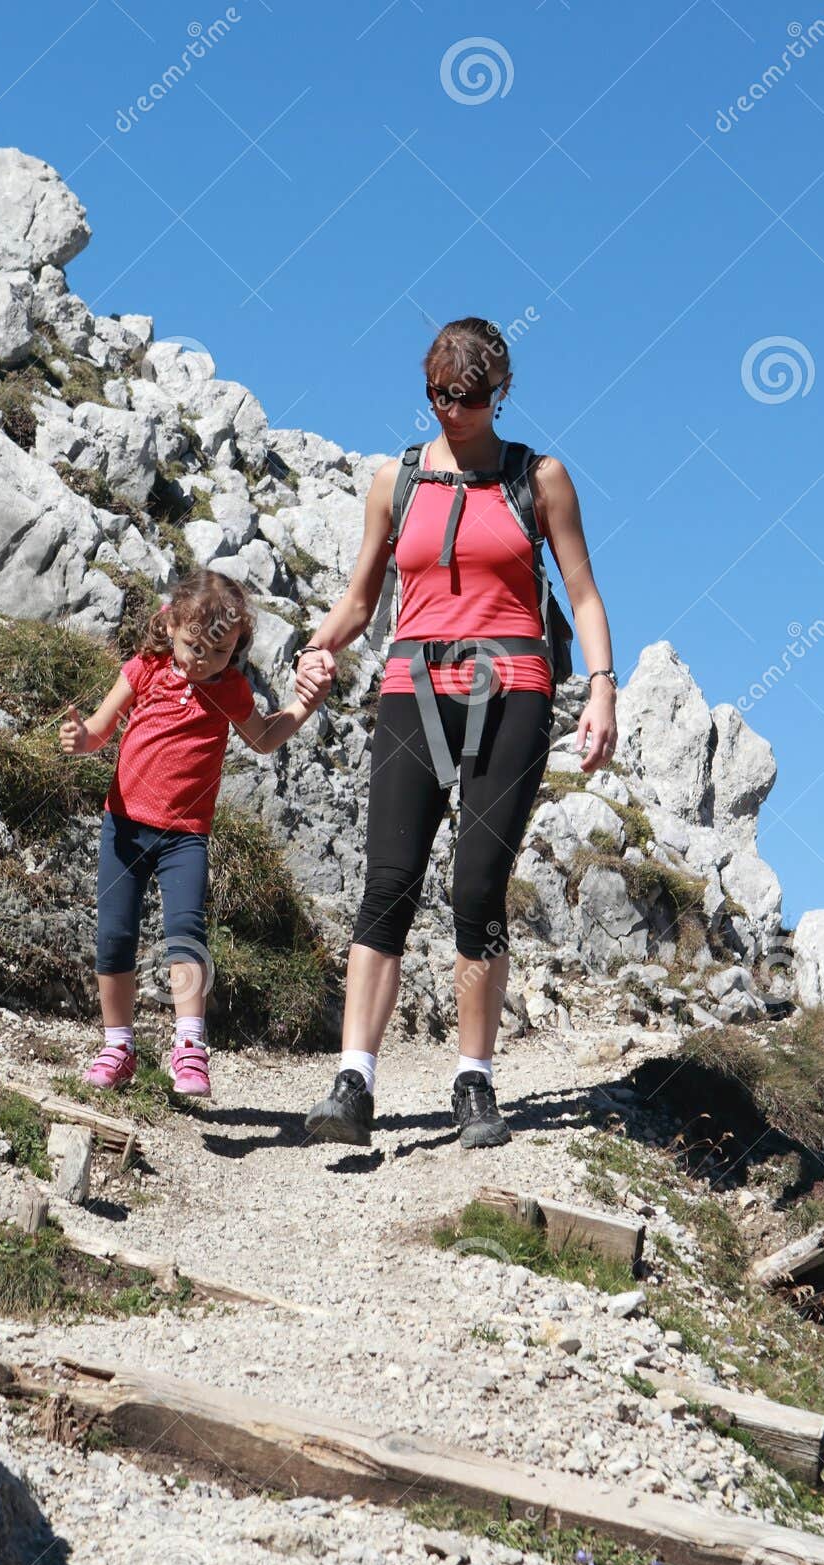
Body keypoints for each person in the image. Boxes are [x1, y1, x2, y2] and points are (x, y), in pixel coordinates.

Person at [296, 317, 618, 1149]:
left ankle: (473, 1080)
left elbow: (580, 595)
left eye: (469, 397)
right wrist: (317, 647)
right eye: (438, 395)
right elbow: (362, 600)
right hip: (411, 683)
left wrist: (602, 689)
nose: (451, 410)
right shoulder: (393, 481)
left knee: (476, 890)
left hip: (511, 688)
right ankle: (352, 1083)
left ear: (498, 393)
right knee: (389, 882)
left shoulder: (537, 477)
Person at [58, 569, 330, 1097]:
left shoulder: (230, 690)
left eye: (219, 650)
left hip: (185, 836)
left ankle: (189, 1046)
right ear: (172, 624)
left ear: (238, 646)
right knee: (114, 938)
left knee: (186, 934)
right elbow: (100, 729)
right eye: (191, 645)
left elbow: (265, 738)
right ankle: (118, 1045)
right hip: (124, 825)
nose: (201, 659)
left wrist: (303, 706)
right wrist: (80, 737)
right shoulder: (145, 667)